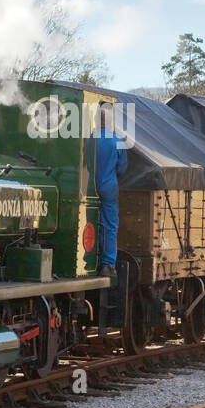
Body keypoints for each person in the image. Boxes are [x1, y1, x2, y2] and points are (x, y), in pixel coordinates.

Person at [93, 103, 127, 278]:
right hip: (108, 185)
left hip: (88, 186)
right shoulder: (118, 142)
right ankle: (107, 264)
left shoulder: (88, 138)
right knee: (110, 226)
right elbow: (122, 168)